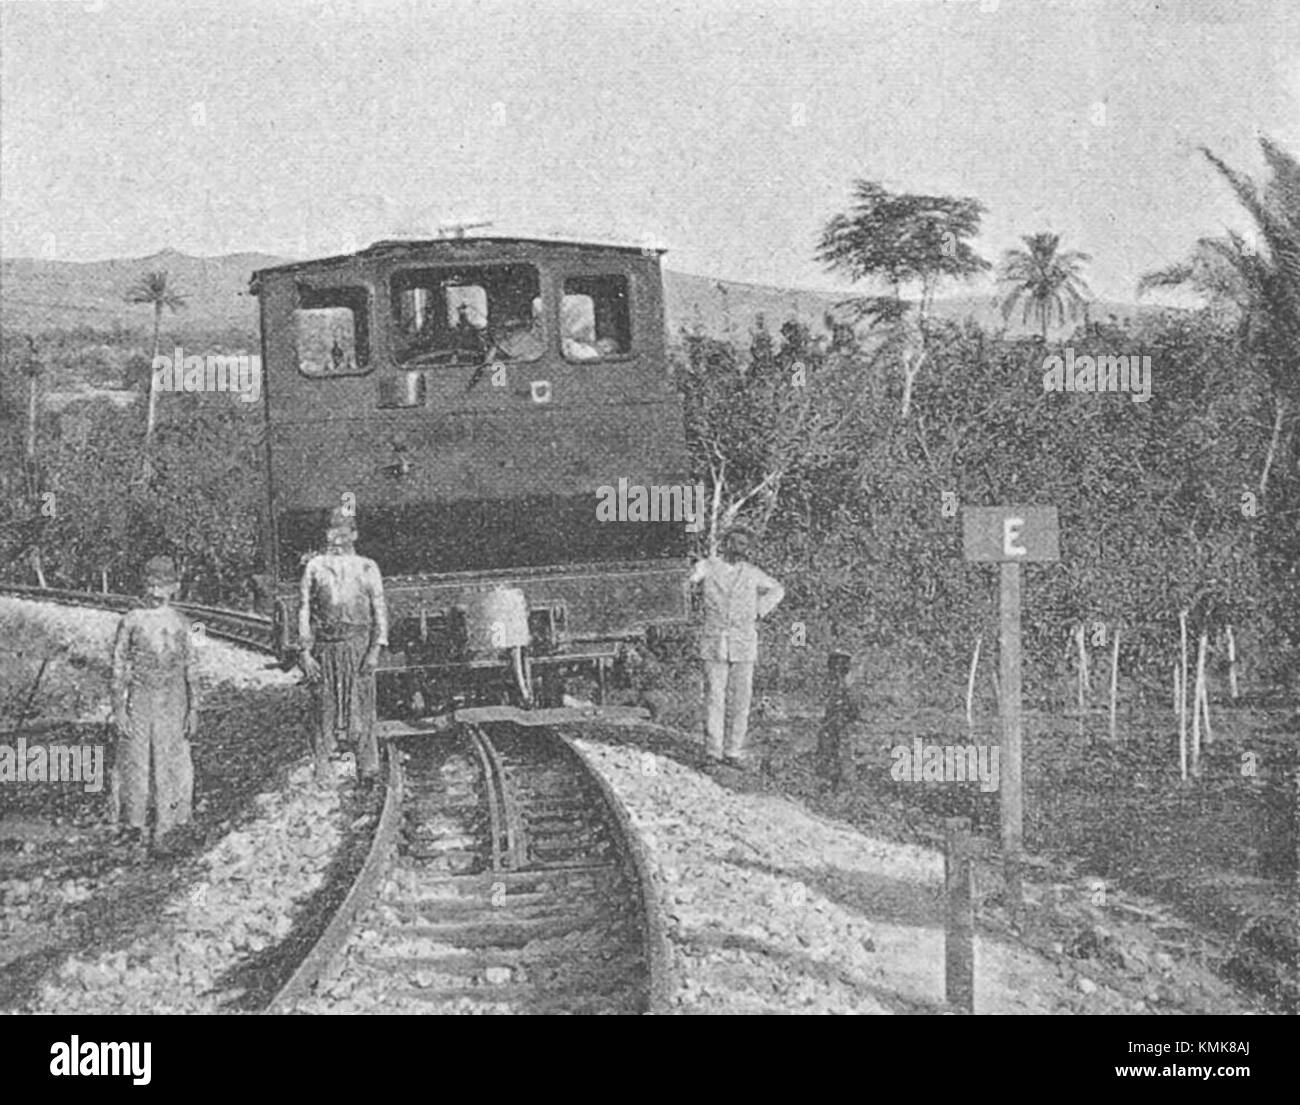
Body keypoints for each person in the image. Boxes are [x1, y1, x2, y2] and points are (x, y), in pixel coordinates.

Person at [110, 555, 198, 855]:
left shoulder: (180, 623)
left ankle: (170, 823)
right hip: (141, 697)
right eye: (150, 583)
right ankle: (134, 824)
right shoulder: (131, 620)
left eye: (162, 584)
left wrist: (194, 708)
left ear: (173, 587)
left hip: (173, 698)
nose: (155, 590)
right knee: (136, 759)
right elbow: (119, 666)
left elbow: (191, 668)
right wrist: (119, 708)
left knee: (171, 758)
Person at [298, 508, 389, 785]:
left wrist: (376, 648)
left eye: (343, 530)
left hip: (358, 644)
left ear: (354, 534)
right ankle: (323, 766)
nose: (337, 537)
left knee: (362, 703)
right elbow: (304, 608)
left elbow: (379, 609)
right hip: (325, 645)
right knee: (323, 704)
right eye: (331, 530)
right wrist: (305, 652)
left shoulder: (367, 566)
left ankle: (368, 765)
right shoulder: (314, 567)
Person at [690, 524, 785, 767]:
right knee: (714, 697)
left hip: (743, 642)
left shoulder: (752, 573)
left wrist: (758, 610)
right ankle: (713, 751)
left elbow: (777, 589)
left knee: (741, 699)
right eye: (735, 543)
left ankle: (733, 751)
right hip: (715, 639)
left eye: (744, 544)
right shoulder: (708, 566)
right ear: (726, 543)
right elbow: (688, 580)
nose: (739, 548)